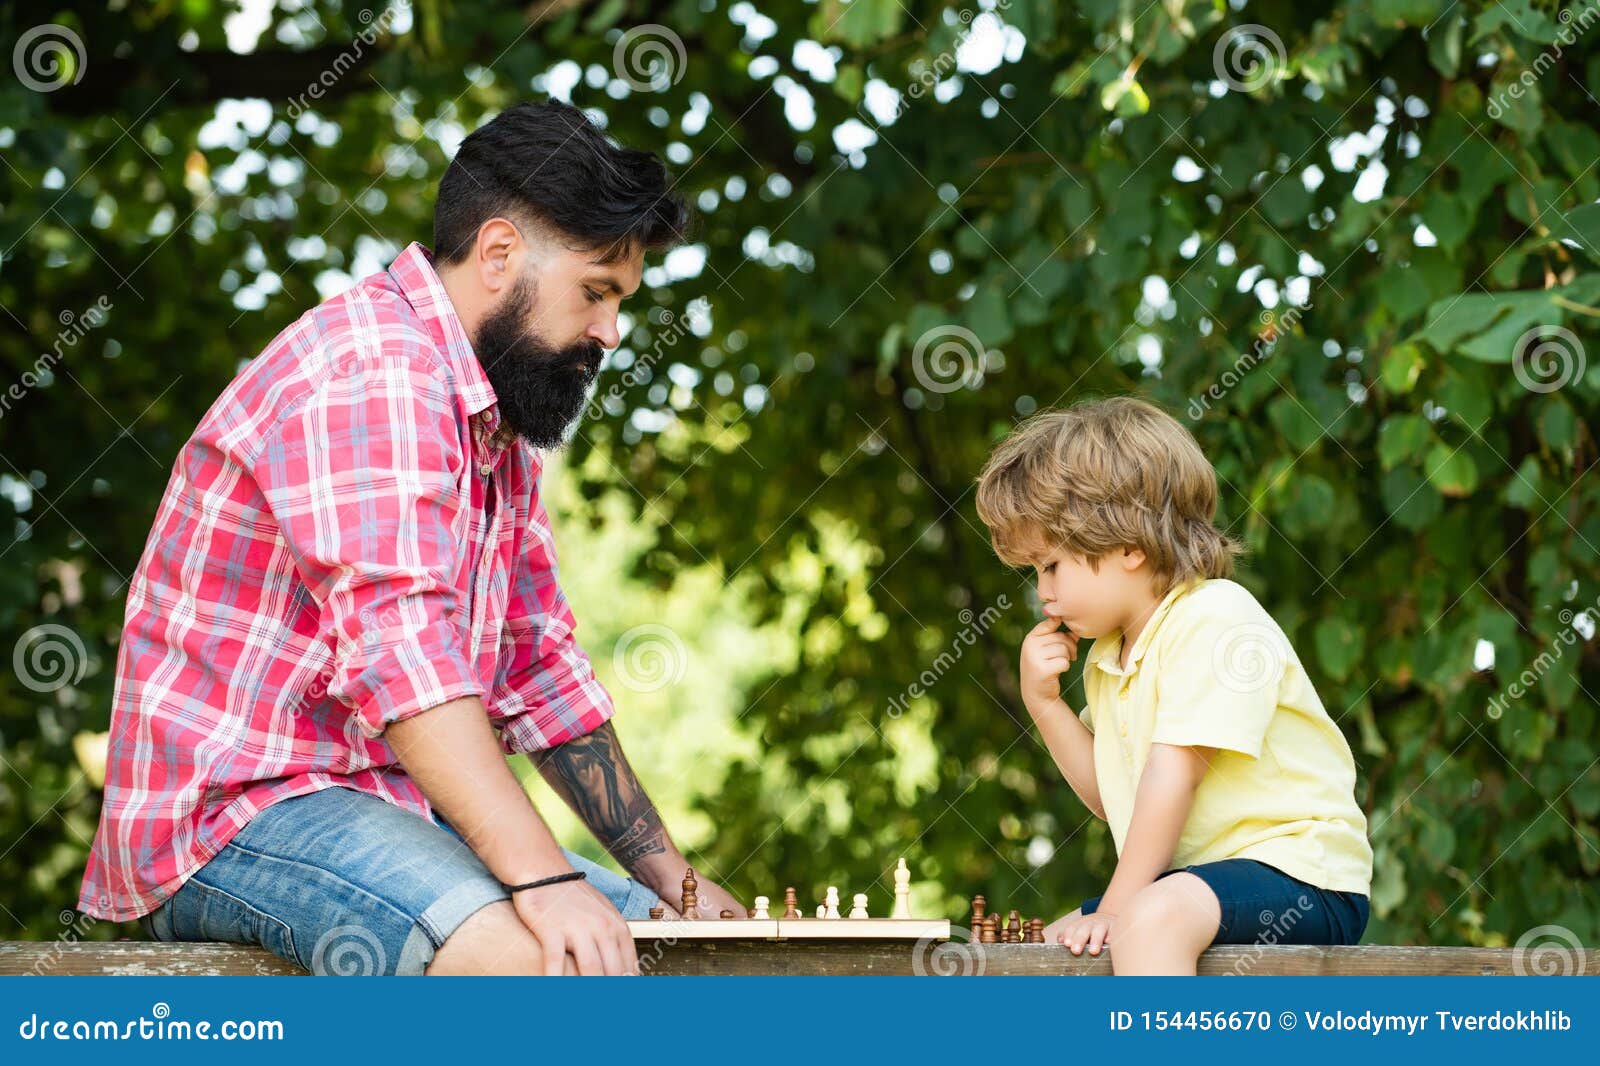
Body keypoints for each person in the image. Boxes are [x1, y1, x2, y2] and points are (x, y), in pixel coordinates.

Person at [77, 101, 742, 976]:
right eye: (596, 292)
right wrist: (542, 878)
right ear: (500, 255)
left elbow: (538, 670)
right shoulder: (378, 373)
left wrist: (676, 885)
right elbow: (406, 660)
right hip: (235, 820)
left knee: (698, 962)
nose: (610, 332)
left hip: (389, 815)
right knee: (544, 971)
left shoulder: (492, 424)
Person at [973, 396, 1372, 975]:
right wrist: (1044, 702)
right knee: (1039, 952)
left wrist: (1116, 907)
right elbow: (1117, 802)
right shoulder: (1110, 657)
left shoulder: (1213, 617)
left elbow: (1173, 775)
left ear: (1129, 545)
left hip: (1300, 873)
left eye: (1052, 565)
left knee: (1147, 920)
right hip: (1194, 886)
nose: (1044, 594)